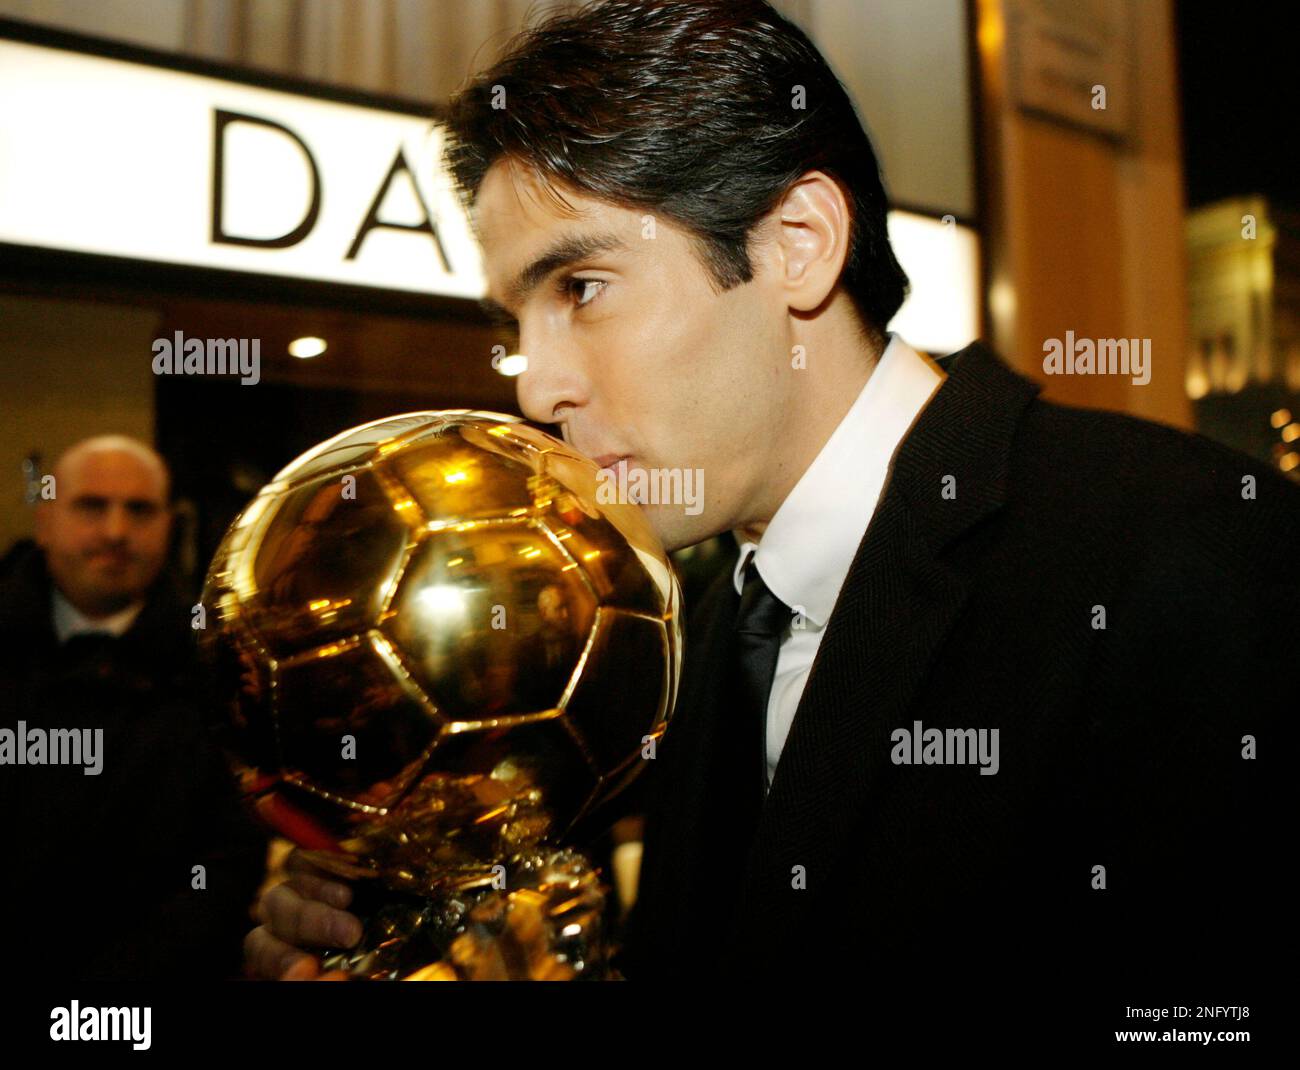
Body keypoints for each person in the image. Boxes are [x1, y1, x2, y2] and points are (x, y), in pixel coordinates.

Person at [243, 0, 1295, 989]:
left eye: (582, 289)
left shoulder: (1179, 556)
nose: (535, 379)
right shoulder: (693, 629)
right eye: (516, 317)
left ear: (797, 244)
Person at [0, 435, 268, 980]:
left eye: (139, 510)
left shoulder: (219, 667)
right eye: (92, 506)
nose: (116, 532)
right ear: (46, 519)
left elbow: (229, 861)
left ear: (170, 526)